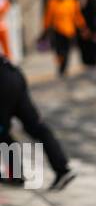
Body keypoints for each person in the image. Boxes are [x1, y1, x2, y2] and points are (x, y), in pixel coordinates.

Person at [0, 51, 75, 189]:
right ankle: (62, 169)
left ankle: (16, 174)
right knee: (36, 126)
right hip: (13, 75)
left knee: (2, 133)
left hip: (2, 82)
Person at [43, 0, 87, 76]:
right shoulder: (52, 2)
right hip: (57, 30)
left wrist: (82, 27)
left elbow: (77, 16)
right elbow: (48, 16)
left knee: (66, 51)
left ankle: (64, 68)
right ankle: (61, 65)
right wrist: (46, 28)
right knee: (58, 51)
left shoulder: (72, 2)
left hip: (69, 31)